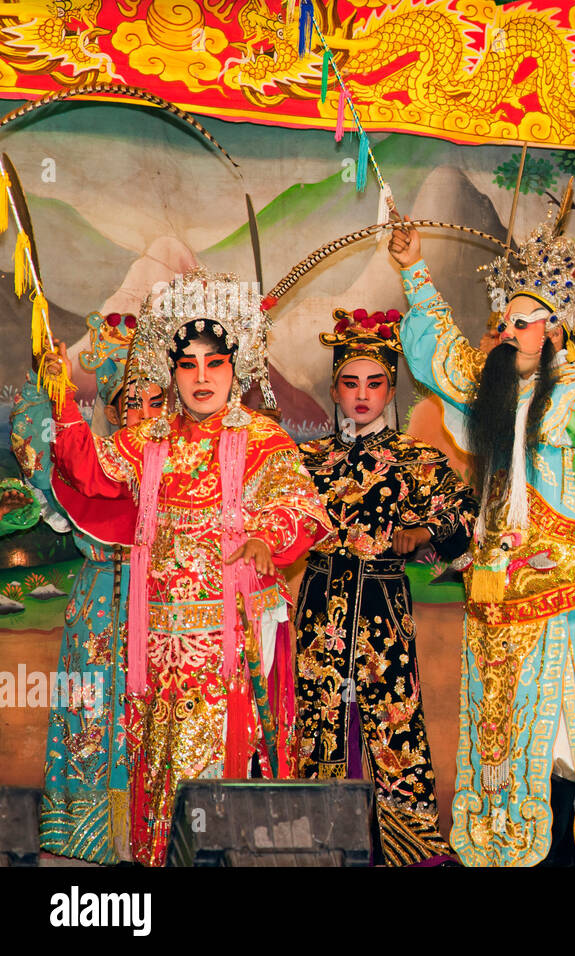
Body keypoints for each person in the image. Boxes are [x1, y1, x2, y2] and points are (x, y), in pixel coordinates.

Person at [392, 216, 575, 867]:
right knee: (499, 746)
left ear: (558, 328)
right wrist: (414, 269)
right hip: (495, 604)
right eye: (512, 322)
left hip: (561, 600)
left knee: (567, 748)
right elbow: (437, 354)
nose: (522, 334)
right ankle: (503, 851)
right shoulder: (488, 388)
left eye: (535, 322)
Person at [46, 268, 330, 866]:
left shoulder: (262, 438)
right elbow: (90, 470)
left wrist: (264, 538)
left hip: (235, 641)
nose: (202, 378)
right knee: (168, 772)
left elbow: (299, 505)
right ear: (172, 372)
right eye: (188, 365)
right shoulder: (149, 438)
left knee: (231, 772)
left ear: (235, 369)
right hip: (161, 645)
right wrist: (63, 399)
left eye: (215, 363)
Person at [295, 306, 477, 865]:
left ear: (390, 387)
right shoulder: (307, 459)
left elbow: (466, 519)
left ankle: (403, 844)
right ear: (334, 388)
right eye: (350, 383)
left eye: (374, 383)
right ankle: (319, 840)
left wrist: (421, 529)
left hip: (381, 610)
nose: (362, 395)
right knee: (319, 715)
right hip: (320, 609)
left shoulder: (415, 461)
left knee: (391, 715)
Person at [10, 313, 165, 863]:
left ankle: (156, 831)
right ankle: (87, 837)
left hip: (163, 606)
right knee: (90, 711)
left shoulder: (185, 466)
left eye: (155, 403)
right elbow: (39, 444)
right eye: (132, 405)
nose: (144, 416)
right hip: (98, 606)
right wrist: (47, 384)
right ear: (114, 411)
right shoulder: (91, 463)